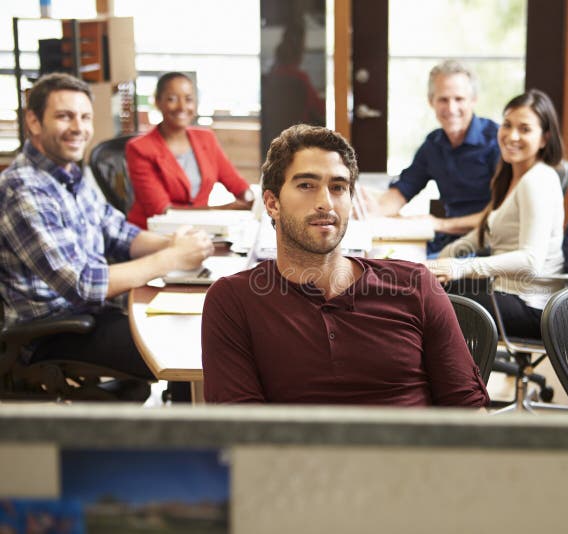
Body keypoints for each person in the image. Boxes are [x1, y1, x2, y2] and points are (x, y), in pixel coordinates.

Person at [201, 124, 489, 407]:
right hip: (298, 456)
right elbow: (241, 436)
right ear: (272, 203)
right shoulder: (233, 301)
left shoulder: (416, 284)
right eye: (306, 185)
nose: (325, 202)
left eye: (338, 187)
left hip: (414, 454)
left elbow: (470, 414)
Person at [0, 73, 214, 396]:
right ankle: (186, 435)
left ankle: (184, 421)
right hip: (52, 331)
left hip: (91, 315)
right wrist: (170, 258)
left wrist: (179, 245)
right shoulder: (24, 191)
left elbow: (120, 233)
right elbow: (84, 284)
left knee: (198, 329)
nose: (78, 128)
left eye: (85, 117)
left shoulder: (70, 174)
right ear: (33, 121)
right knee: (187, 346)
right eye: (64, 116)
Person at [426, 89, 566, 340]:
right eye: (508, 125)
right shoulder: (512, 174)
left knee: (424, 307)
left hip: (529, 306)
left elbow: (531, 260)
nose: (512, 136)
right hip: (505, 292)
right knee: (422, 289)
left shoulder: (538, 181)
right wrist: (446, 257)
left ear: (544, 138)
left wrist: (461, 267)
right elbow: (488, 231)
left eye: (524, 129)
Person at [373, 60, 500, 255]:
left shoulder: (495, 142)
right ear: (431, 101)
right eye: (443, 99)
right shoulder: (433, 144)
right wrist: (368, 209)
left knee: (412, 272)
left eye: (459, 99)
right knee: (387, 259)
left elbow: (500, 215)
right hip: (448, 240)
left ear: (473, 100)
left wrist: (439, 223)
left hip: (487, 243)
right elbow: (403, 190)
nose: (451, 108)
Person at [126, 72, 254, 229]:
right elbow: (162, 211)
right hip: (154, 235)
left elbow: (237, 184)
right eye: (172, 99)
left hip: (200, 233)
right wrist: (223, 210)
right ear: (158, 102)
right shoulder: (140, 149)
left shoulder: (206, 138)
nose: (182, 107)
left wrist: (250, 199)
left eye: (188, 99)